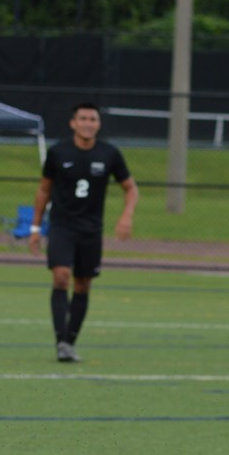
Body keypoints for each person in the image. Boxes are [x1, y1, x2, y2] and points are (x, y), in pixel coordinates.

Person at [29, 102, 140, 362]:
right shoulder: (58, 153)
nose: (88, 123)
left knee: (82, 284)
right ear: (73, 123)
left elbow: (131, 189)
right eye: (83, 119)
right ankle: (61, 342)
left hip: (91, 230)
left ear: (98, 124)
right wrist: (35, 227)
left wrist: (126, 216)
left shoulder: (109, 154)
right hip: (62, 227)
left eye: (93, 119)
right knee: (61, 277)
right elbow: (44, 190)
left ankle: (70, 340)